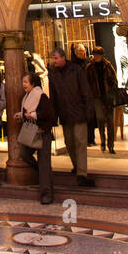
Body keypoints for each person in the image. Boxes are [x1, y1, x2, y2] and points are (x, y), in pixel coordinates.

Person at [48, 46, 94, 186]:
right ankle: (77, 166)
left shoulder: (76, 70)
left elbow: (85, 90)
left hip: (79, 111)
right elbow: (54, 96)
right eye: (53, 59)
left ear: (63, 57)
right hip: (65, 113)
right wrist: (54, 116)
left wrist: (88, 110)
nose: (54, 61)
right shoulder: (54, 74)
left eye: (56, 58)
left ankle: (82, 173)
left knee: (80, 142)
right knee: (69, 143)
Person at [16, 72, 58, 204]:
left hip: (42, 133)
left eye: (25, 82)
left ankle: (46, 194)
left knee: (44, 163)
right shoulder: (27, 97)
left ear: (33, 84)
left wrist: (34, 115)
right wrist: (21, 115)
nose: (23, 85)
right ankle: (41, 173)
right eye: (23, 82)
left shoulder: (41, 96)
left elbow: (49, 115)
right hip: (31, 133)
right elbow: (27, 113)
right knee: (24, 153)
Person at [86, 46, 119, 154]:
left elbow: (114, 78)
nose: (96, 57)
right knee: (100, 118)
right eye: (95, 55)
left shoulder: (107, 65)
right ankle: (103, 142)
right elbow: (87, 81)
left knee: (110, 120)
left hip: (108, 95)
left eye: (98, 55)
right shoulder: (90, 67)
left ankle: (111, 144)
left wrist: (112, 88)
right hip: (96, 96)